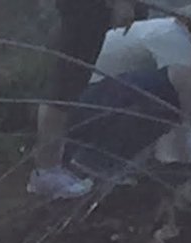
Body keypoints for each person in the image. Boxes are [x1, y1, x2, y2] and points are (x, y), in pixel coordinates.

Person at [63, 0, 191, 184]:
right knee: (168, 91)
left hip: (98, 108)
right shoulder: (173, 39)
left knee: (174, 95)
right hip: (82, 108)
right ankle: (92, 163)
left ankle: (108, 163)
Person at [34, 0, 133, 197]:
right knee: (65, 86)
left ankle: (56, 167)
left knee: (72, 84)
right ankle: (47, 171)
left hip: (90, 9)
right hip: (88, 8)